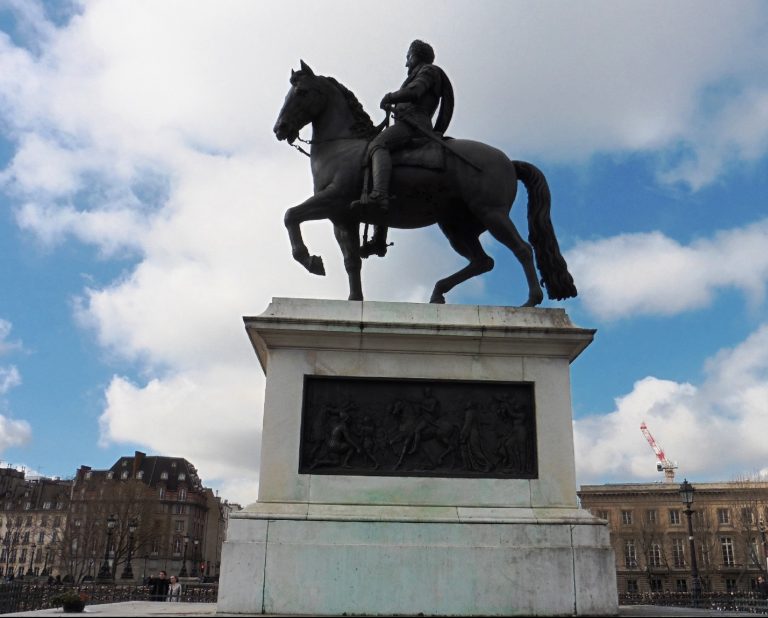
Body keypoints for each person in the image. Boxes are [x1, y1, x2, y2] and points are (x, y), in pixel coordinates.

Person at [352, 40, 454, 222]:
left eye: (408, 57)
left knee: (378, 144)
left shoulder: (428, 71)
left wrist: (390, 97)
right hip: (408, 122)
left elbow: (416, 92)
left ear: (416, 55)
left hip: (413, 125)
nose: (406, 62)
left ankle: (380, 195)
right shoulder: (421, 72)